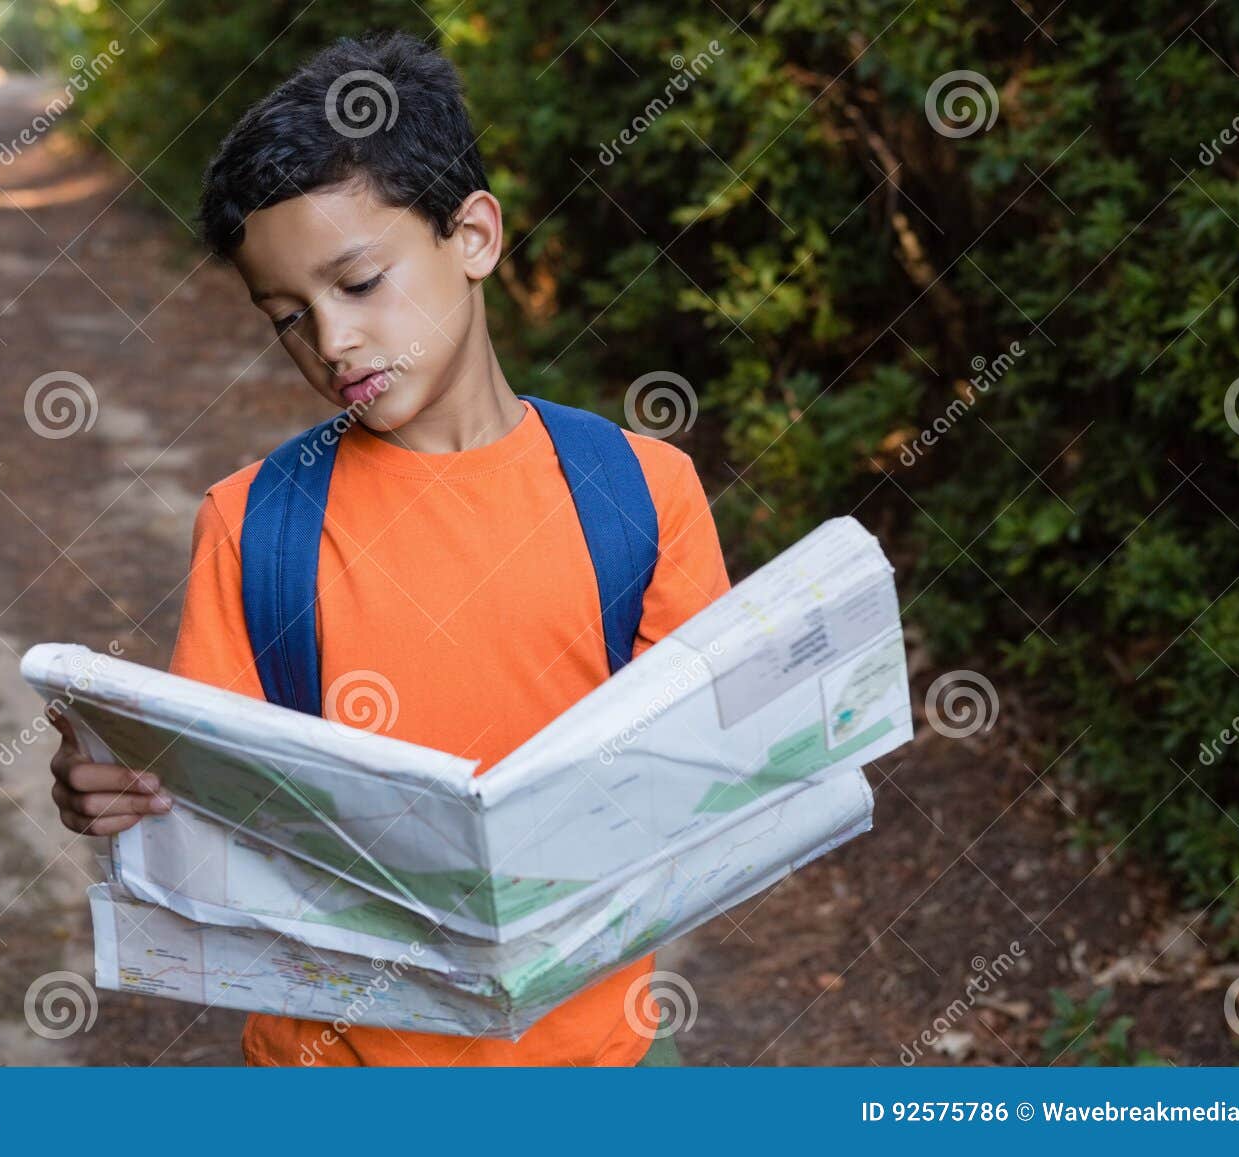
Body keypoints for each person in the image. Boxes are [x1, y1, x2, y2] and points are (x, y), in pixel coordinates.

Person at [47, 28, 728, 1067]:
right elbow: (204, 810)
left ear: (474, 236)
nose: (332, 342)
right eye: (287, 317)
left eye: (358, 283)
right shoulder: (258, 526)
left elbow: (709, 787)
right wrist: (113, 791)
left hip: (597, 1059)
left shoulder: (638, 494)